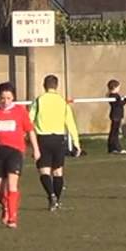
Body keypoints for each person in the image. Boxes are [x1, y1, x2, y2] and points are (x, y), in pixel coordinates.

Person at [0, 82, 39, 229]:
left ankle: (12, 217)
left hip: (15, 151)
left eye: (8, 98)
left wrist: (36, 149)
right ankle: (6, 206)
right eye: (2, 98)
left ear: (13, 97)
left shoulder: (20, 111)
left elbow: (30, 130)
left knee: (12, 185)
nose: (5, 101)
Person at [29, 75, 80, 211]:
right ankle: (56, 200)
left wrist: (24, 136)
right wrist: (76, 142)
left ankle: (51, 195)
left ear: (44, 85)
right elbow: (70, 123)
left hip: (43, 139)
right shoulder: (62, 102)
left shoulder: (39, 101)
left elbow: (29, 120)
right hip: (58, 139)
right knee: (58, 172)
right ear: (56, 86)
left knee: (44, 171)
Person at [106, 79, 126, 154]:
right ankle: (117, 148)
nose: (119, 89)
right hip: (116, 116)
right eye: (118, 87)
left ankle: (112, 148)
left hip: (116, 115)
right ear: (114, 87)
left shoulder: (113, 95)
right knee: (115, 133)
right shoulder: (113, 96)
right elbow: (120, 104)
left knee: (113, 132)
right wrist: (125, 100)